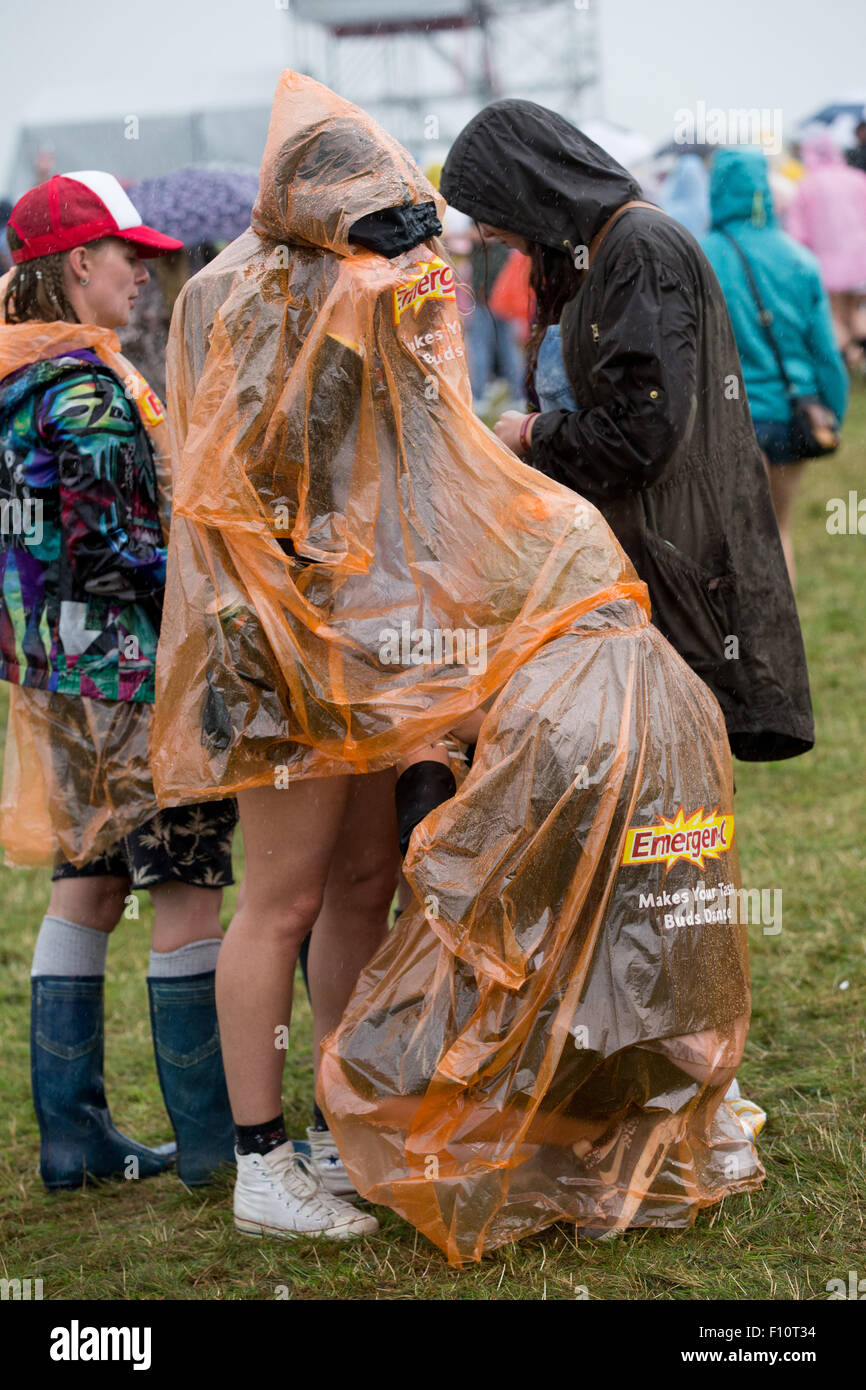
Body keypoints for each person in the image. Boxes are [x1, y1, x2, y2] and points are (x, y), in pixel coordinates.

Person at [150, 70, 650, 1242]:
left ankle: (338, 1112)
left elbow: (429, 461)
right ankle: (258, 1158)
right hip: (278, 647)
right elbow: (238, 494)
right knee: (279, 898)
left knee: (367, 878)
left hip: (372, 640)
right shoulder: (238, 302)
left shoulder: (367, 292)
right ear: (320, 198)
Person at [321, 561, 765, 1264]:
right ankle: (644, 1137)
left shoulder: (539, 728)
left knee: (356, 1079)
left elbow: (458, 889)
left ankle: (584, 1143)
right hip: (688, 1031)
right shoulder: (660, 691)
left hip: (595, 1037)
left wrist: (422, 762)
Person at [440, 100, 815, 766]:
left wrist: (530, 433)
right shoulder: (597, 250)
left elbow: (645, 431)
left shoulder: (638, 251)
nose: (491, 236)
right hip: (631, 558)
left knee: (668, 793)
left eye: (491, 214)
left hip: (670, 563)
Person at [0, 171, 237, 1189]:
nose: (145, 269)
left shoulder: (16, 375)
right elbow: (120, 552)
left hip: (46, 673)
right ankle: (216, 1147)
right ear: (74, 265)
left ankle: (73, 1137)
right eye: (125, 253)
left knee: (87, 884)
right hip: (130, 678)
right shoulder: (88, 390)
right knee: (186, 883)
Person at [702, 149, 848, 586]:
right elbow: (825, 352)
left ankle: (745, 641)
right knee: (781, 529)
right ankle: (788, 641)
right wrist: (831, 412)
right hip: (790, 413)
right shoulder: (799, 259)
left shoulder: (701, 256)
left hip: (731, 417)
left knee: (740, 537)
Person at [786, 131, 866, 368]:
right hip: (861, 259)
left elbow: (797, 234)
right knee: (856, 310)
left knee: (835, 316)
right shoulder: (858, 179)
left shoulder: (807, 185)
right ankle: (858, 358)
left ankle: (845, 367)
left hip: (826, 264)